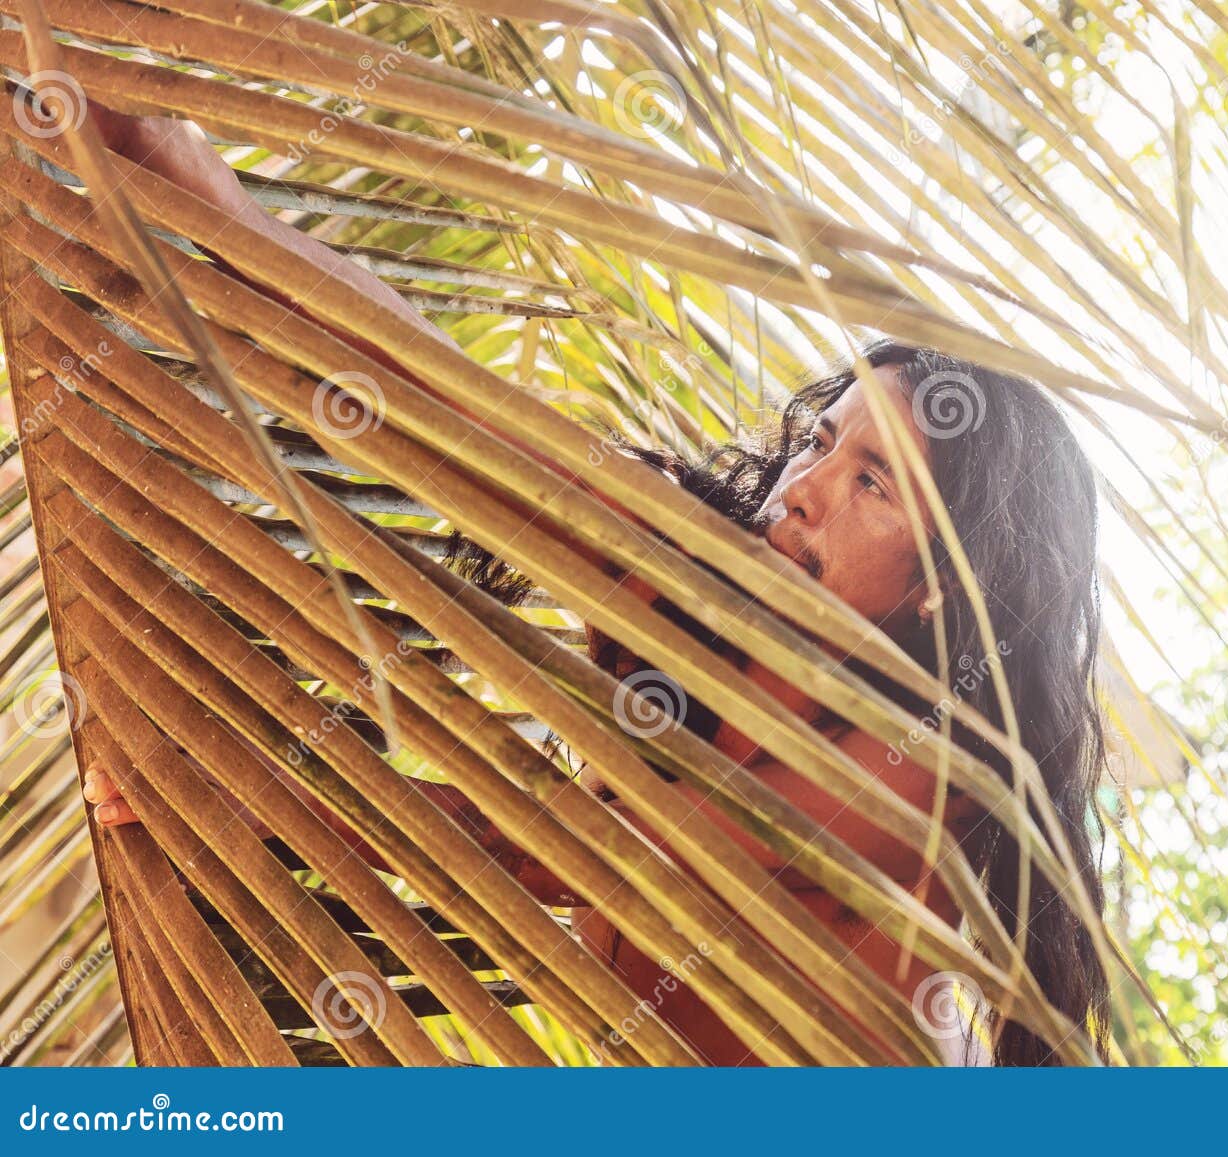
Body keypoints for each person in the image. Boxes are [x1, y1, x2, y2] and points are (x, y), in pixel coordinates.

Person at [74, 103, 1111, 1066]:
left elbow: (561, 852)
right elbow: (441, 400)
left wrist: (245, 782)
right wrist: (196, 183)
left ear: (941, 590)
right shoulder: (691, 580)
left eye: (871, 484)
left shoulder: (914, 779)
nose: (803, 490)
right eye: (822, 445)